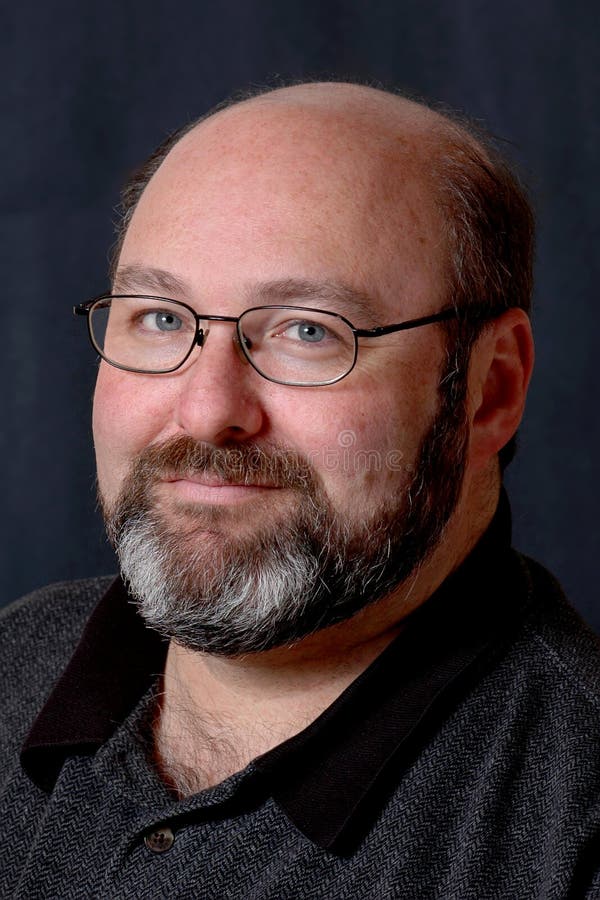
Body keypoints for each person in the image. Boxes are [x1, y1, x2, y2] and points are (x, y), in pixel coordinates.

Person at [2, 81, 599, 899]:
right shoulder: (17, 658)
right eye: (163, 318)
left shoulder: (574, 831)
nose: (209, 412)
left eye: (308, 332)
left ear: (489, 390)